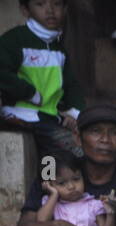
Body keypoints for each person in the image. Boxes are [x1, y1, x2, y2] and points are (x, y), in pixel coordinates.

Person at [0, 0, 84, 157]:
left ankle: (49, 179)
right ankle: (49, 179)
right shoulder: (14, 40)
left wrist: (75, 114)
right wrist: (30, 93)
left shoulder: (59, 50)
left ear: (65, 9)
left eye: (57, 4)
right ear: (25, 10)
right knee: (74, 151)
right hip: (21, 114)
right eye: (40, 4)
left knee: (81, 144)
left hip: (49, 117)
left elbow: (72, 86)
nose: (50, 10)